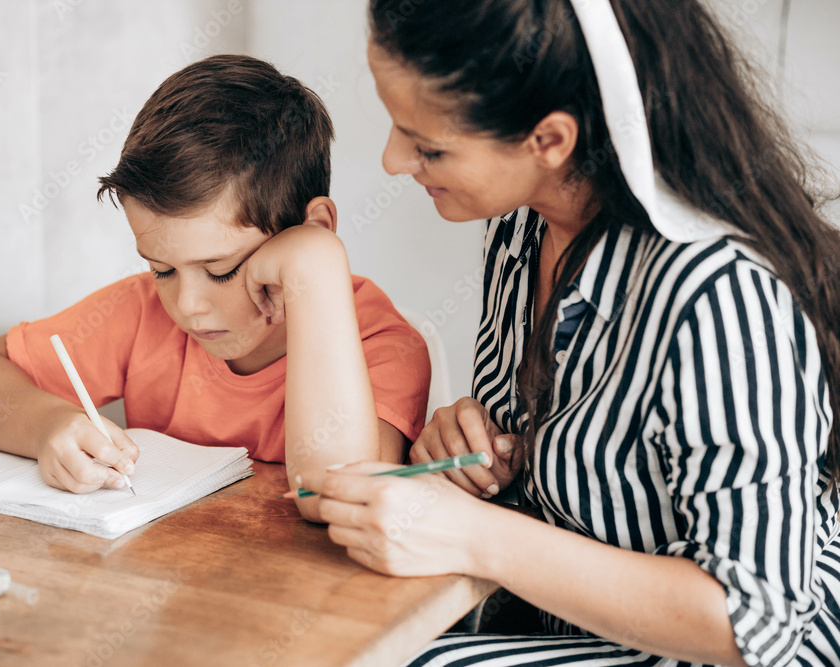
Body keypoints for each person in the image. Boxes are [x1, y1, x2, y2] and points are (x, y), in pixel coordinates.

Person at [296, 0, 840, 664]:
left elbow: (751, 618)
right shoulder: (521, 226)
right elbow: (543, 472)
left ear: (551, 141)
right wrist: (473, 453)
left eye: (428, 144)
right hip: (570, 623)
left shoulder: (718, 293)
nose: (391, 161)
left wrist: (477, 534)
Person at [0, 54, 431, 523]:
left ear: (310, 230)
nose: (188, 307)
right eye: (162, 269)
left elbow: (332, 494)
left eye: (219, 270)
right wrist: (45, 425)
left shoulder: (384, 348)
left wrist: (318, 263)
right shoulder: (141, 313)